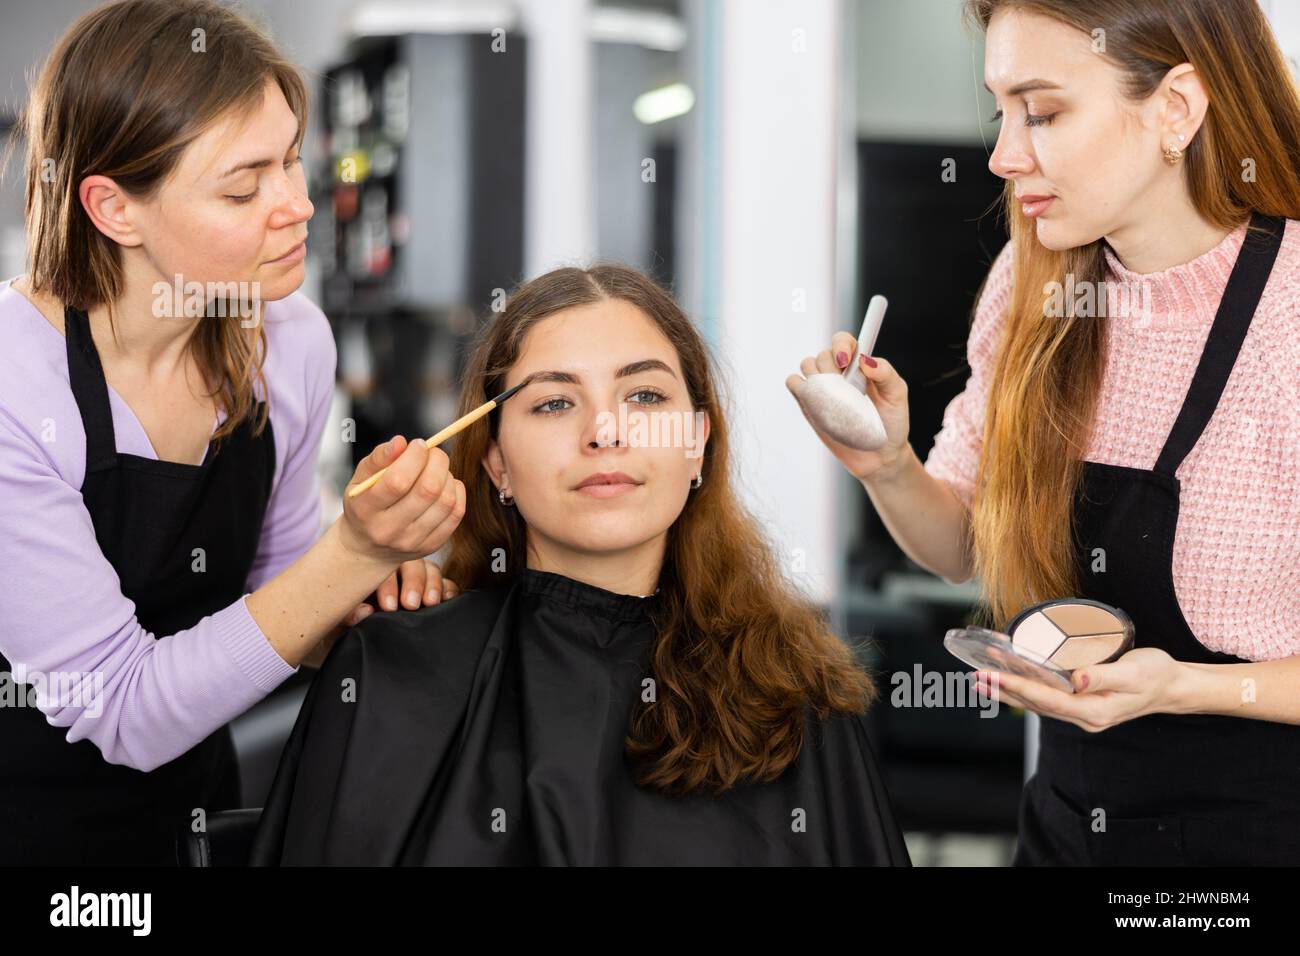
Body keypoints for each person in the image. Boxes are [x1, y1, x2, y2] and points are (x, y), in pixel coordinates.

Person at [791, 0, 1300, 865]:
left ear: (1177, 107)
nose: (1002, 154)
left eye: (1046, 111)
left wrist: (1179, 688)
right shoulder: (1033, 287)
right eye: (1003, 112)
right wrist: (887, 464)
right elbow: (960, 548)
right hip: (1064, 831)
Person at [249, 264, 912, 866]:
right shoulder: (392, 669)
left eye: (645, 397)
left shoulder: (795, 694)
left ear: (698, 444)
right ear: (496, 462)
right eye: (554, 403)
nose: (606, 431)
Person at [0, 0, 460, 865]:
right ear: (113, 208)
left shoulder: (287, 344)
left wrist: (377, 589)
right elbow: (124, 709)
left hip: (199, 823)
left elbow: (283, 603)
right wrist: (351, 556)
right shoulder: (14, 389)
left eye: (292, 160)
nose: (298, 207)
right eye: (244, 186)